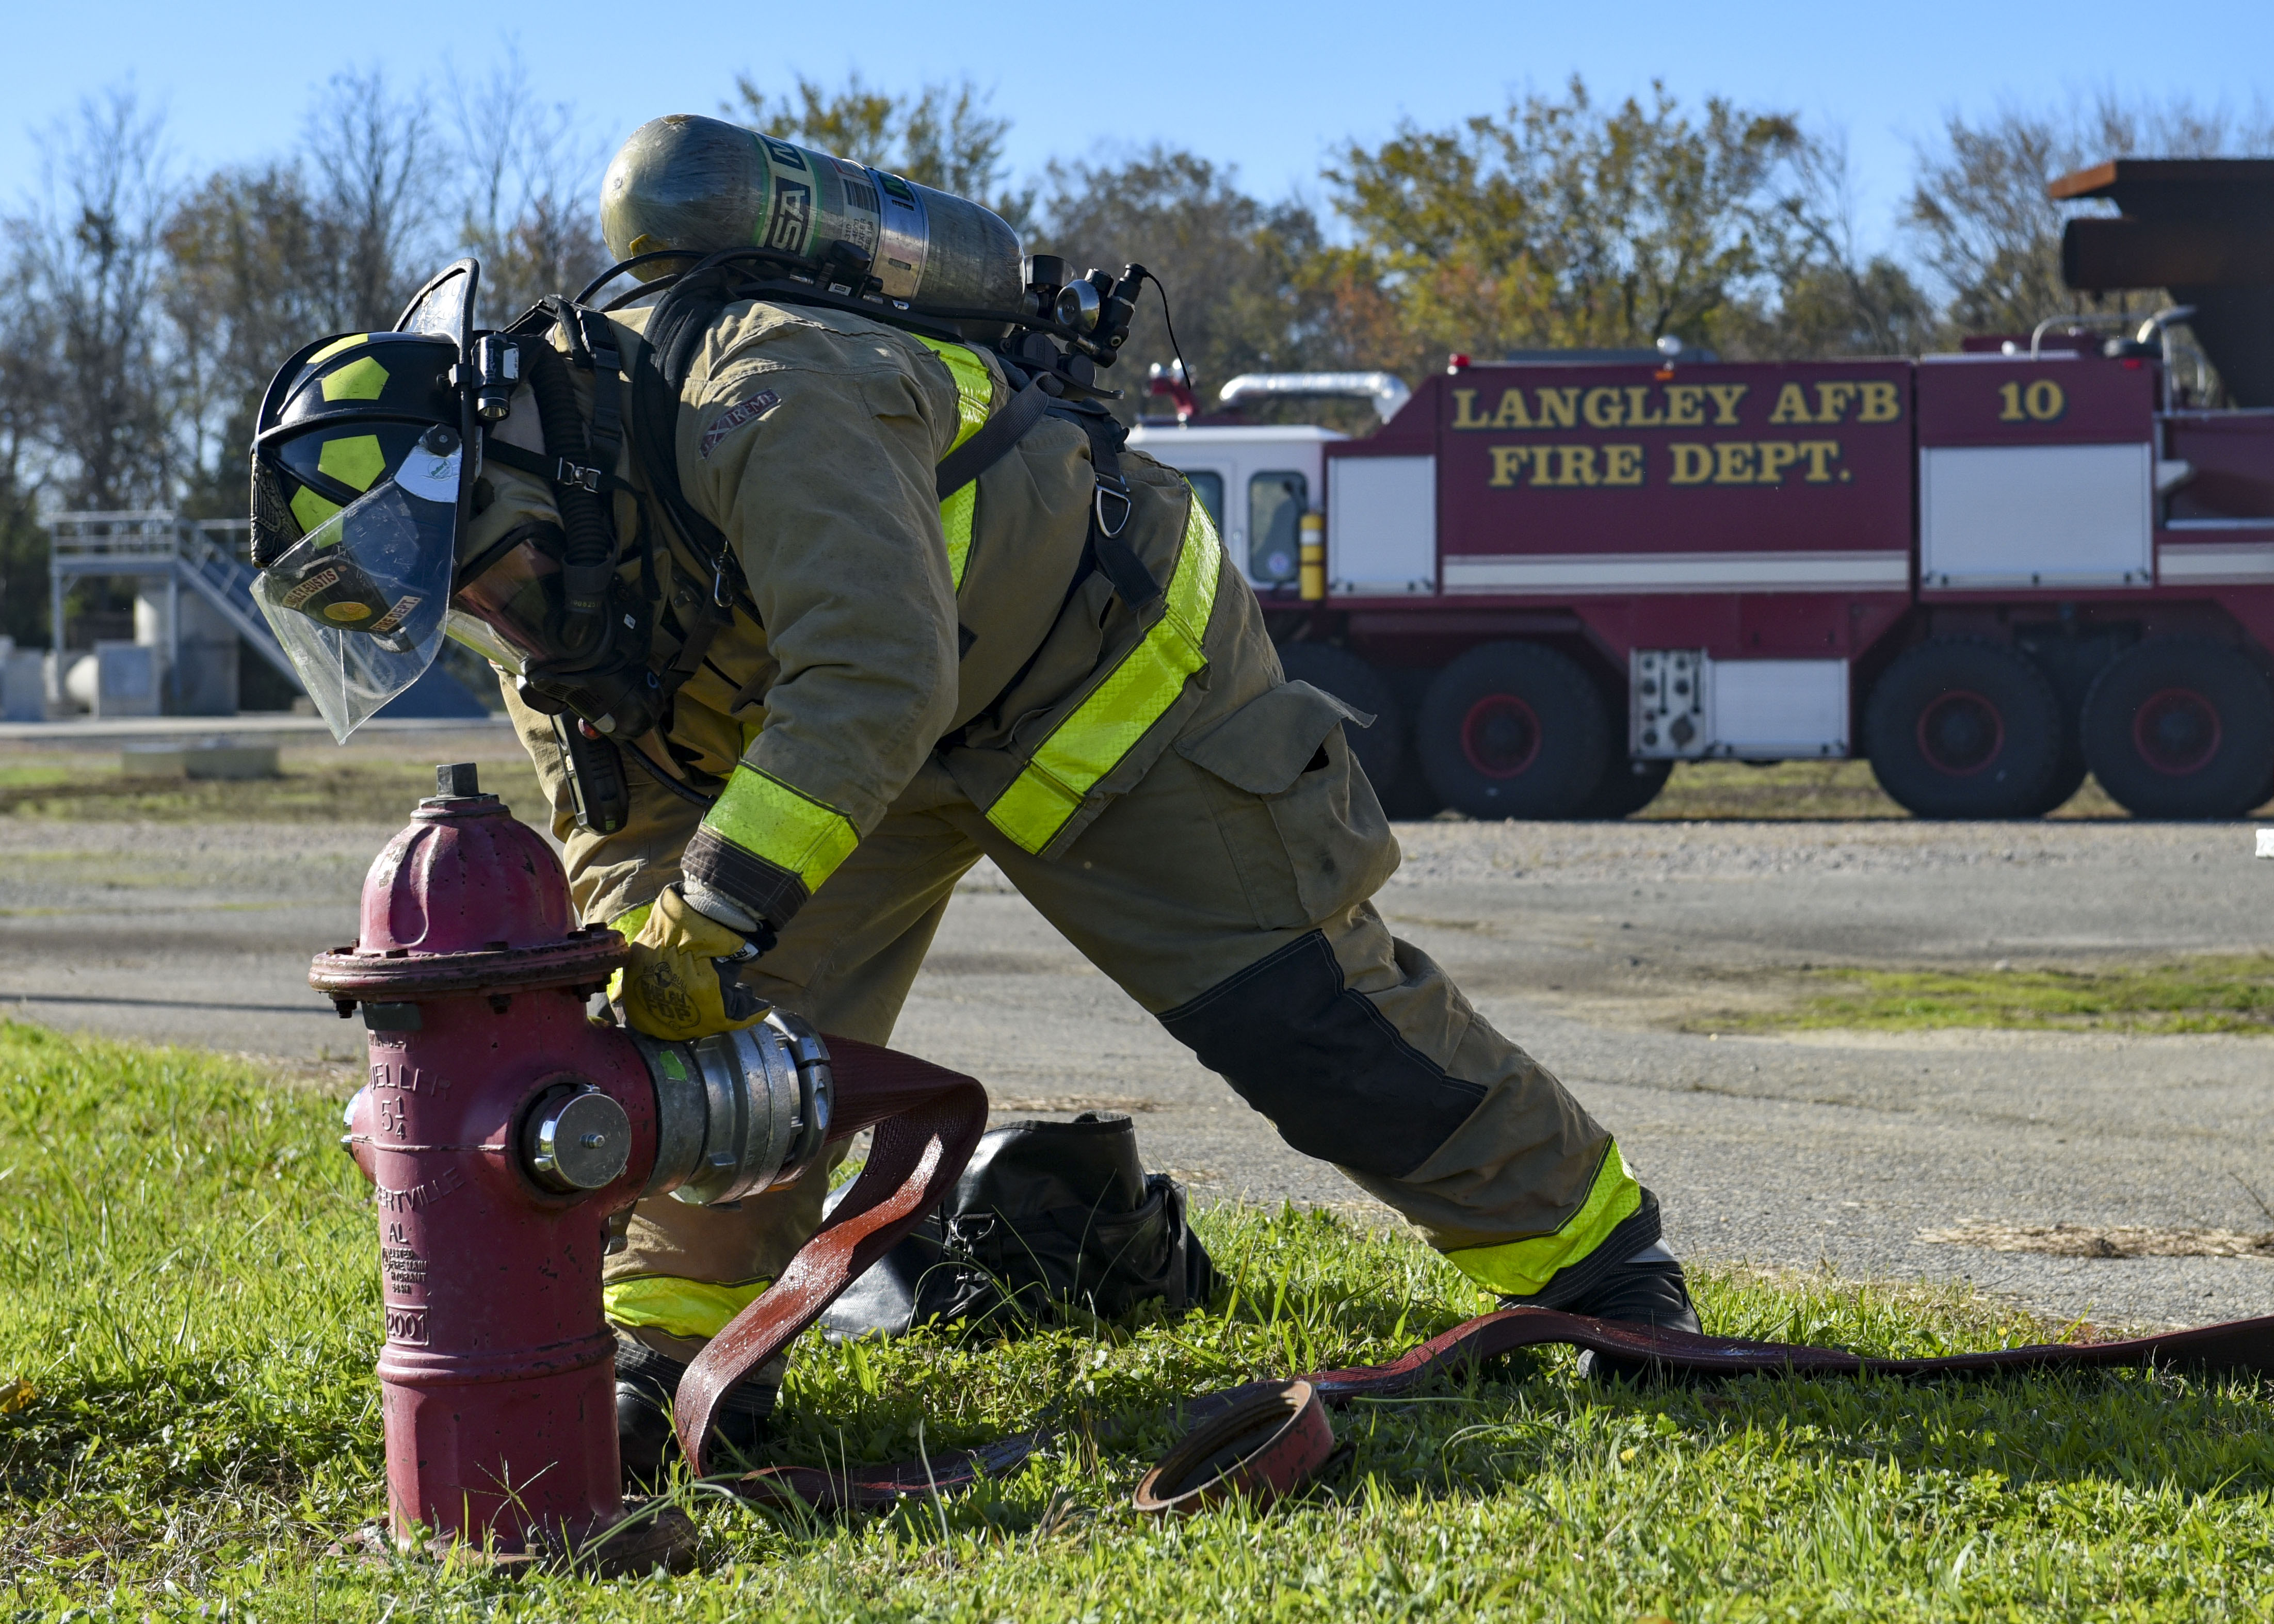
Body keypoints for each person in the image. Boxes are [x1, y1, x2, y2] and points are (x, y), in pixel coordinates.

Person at [248, 254, 1700, 1479]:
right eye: (468, 610)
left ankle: (1596, 1267)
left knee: (1302, 1018)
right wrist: (644, 986)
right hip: (844, 756)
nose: (502, 620)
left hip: (1099, 677)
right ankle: (681, 1352)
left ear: (521, 463)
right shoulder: (552, 619)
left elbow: (872, 673)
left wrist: (718, 909)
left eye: (493, 575)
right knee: (715, 1053)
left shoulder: (764, 394)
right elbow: (625, 834)